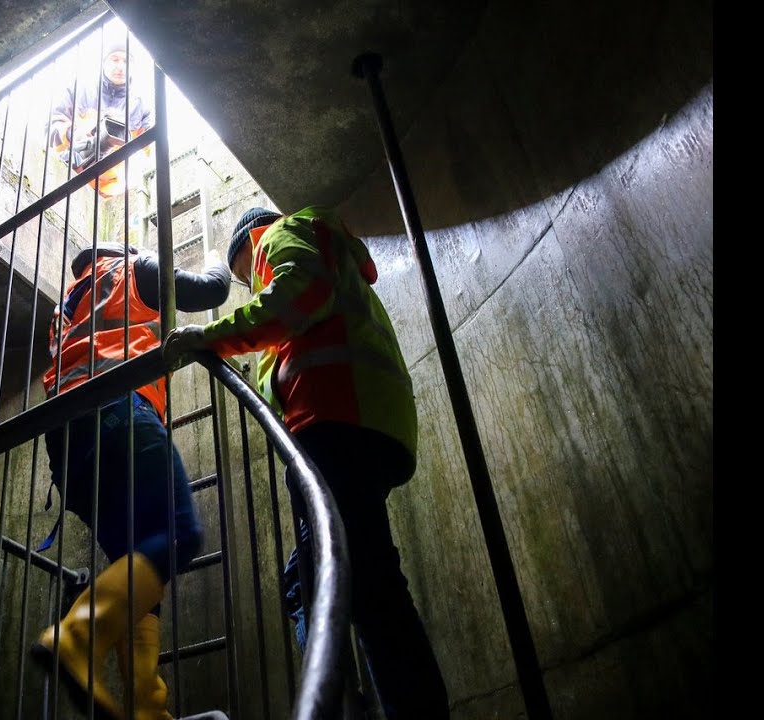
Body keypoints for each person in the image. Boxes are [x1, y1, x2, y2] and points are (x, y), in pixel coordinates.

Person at [163, 206, 451, 719]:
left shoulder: (282, 234)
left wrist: (211, 337)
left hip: (336, 418)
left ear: (247, 245)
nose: (252, 285)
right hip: (352, 419)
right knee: (315, 582)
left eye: (246, 276)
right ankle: (348, 703)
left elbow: (298, 294)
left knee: (367, 584)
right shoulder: (328, 261)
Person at [31, 242, 231, 720]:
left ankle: (147, 710)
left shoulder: (66, 307)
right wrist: (218, 257)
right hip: (118, 409)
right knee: (179, 531)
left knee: (138, 570)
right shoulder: (128, 271)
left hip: (67, 445)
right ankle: (78, 635)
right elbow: (210, 289)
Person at [48, 36, 153, 200]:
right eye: (115, 59)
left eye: (126, 61)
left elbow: (149, 156)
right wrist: (73, 134)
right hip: (67, 175)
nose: (120, 66)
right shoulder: (78, 91)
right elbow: (51, 128)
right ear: (104, 62)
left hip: (108, 192)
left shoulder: (141, 109)